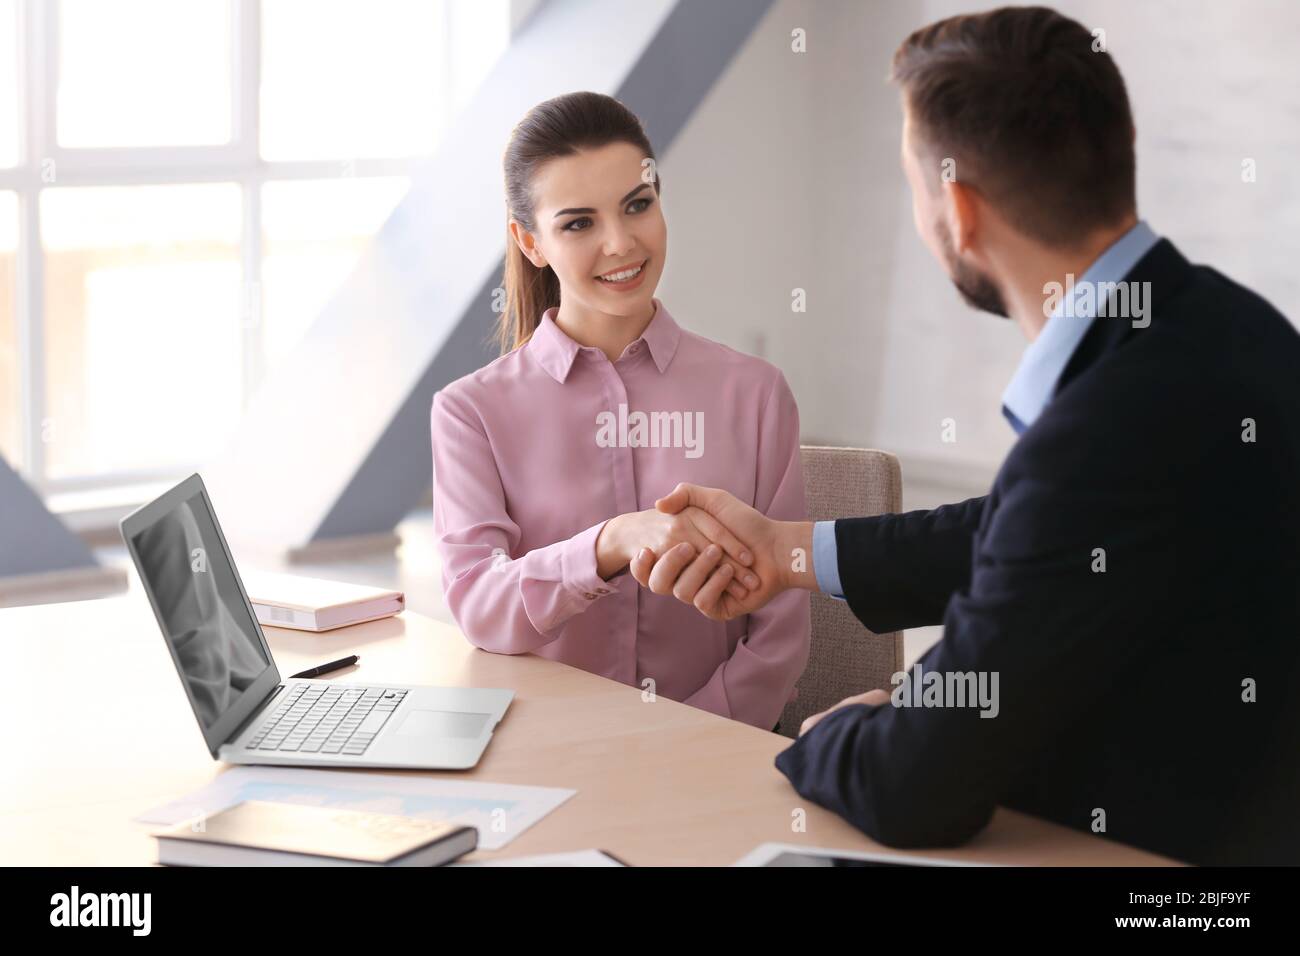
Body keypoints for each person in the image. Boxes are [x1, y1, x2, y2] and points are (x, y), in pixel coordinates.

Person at [630, 7, 1300, 864]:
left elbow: (913, 786)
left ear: (958, 207)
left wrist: (841, 730)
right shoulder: (1233, 328)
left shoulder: (1096, 435)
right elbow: (1037, 531)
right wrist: (788, 551)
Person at [430, 92, 810, 730]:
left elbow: (780, 633)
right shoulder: (472, 412)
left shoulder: (756, 394)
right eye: (578, 223)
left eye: (638, 205)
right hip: (547, 755)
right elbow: (480, 604)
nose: (621, 243)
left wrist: (688, 742)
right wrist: (608, 542)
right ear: (531, 242)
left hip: (716, 756)